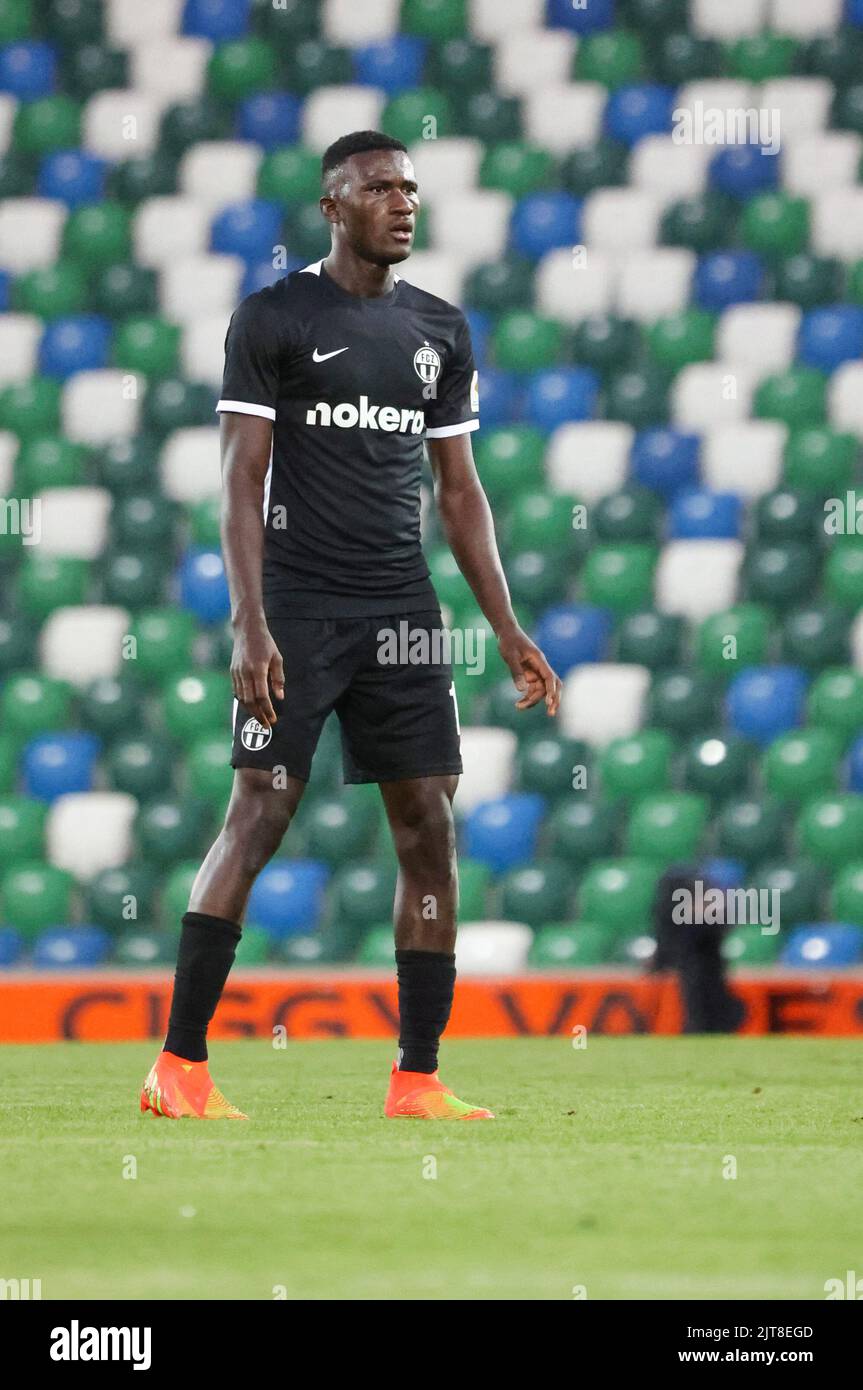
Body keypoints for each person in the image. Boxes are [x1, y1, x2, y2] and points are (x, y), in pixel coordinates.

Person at [140, 130, 561, 1122]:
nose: (401, 202)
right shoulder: (276, 317)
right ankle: (178, 1066)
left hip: (401, 612)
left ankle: (415, 1077)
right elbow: (241, 477)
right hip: (295, 606)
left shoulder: (439, 330)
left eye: (409, 187)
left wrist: (504, 626)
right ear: (333, 206)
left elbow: (459, 493)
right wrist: (250, 624)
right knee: (259, 811)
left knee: (429, 827)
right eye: (378, 187)